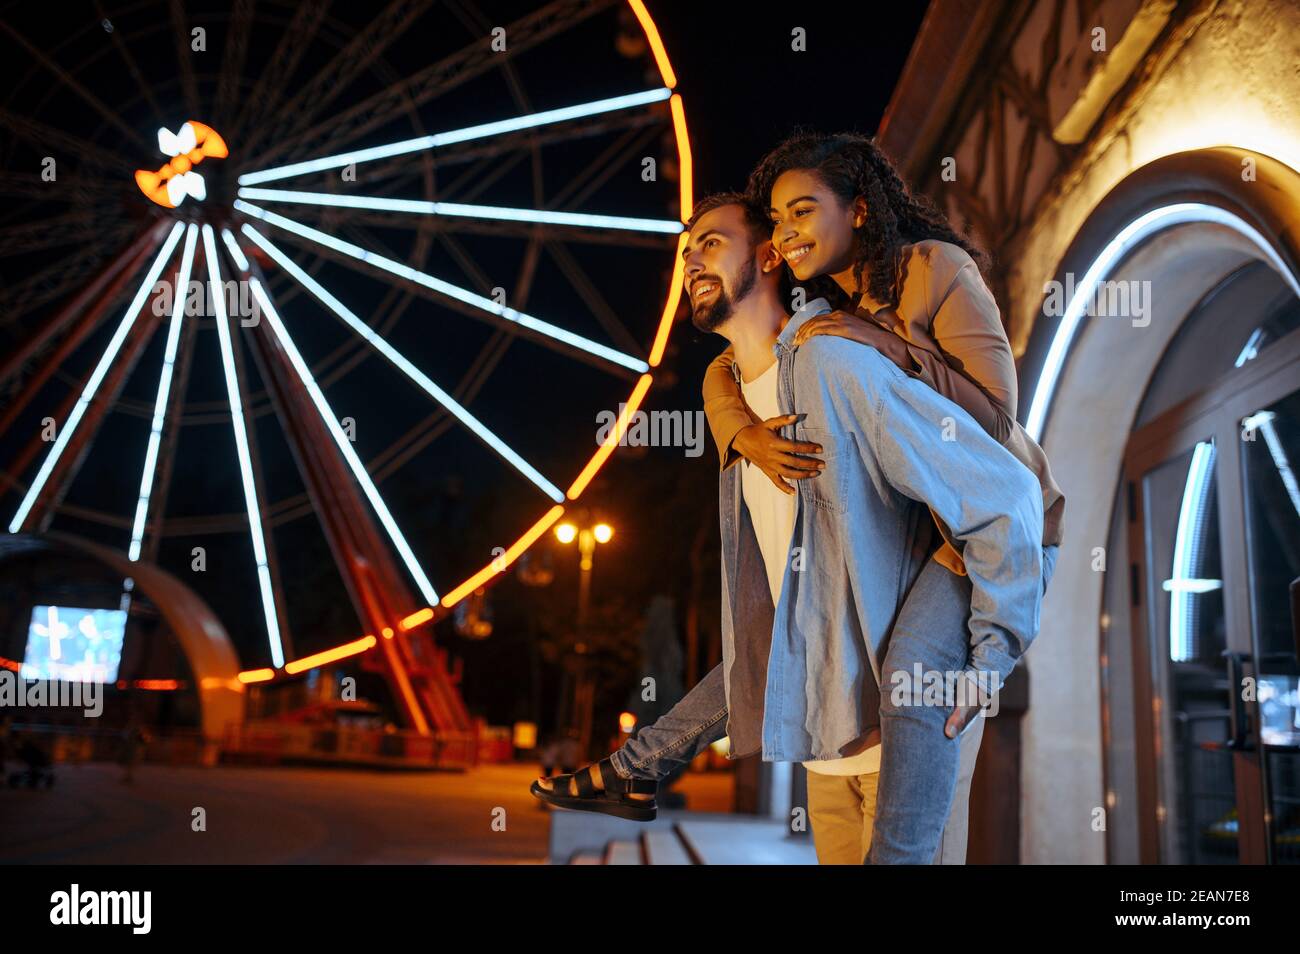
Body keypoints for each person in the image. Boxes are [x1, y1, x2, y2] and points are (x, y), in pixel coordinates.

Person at [534, 192, 1050, 864]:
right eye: (686, 250)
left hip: (909, 732)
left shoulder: (838, 362)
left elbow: (1003, 490)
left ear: (772, 255)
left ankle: (634, 766)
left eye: (711, 243)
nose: (691, 260)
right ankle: (635, 766)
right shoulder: (731, 400)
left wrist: (990, 659)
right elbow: (779, 618)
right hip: (826, 749)